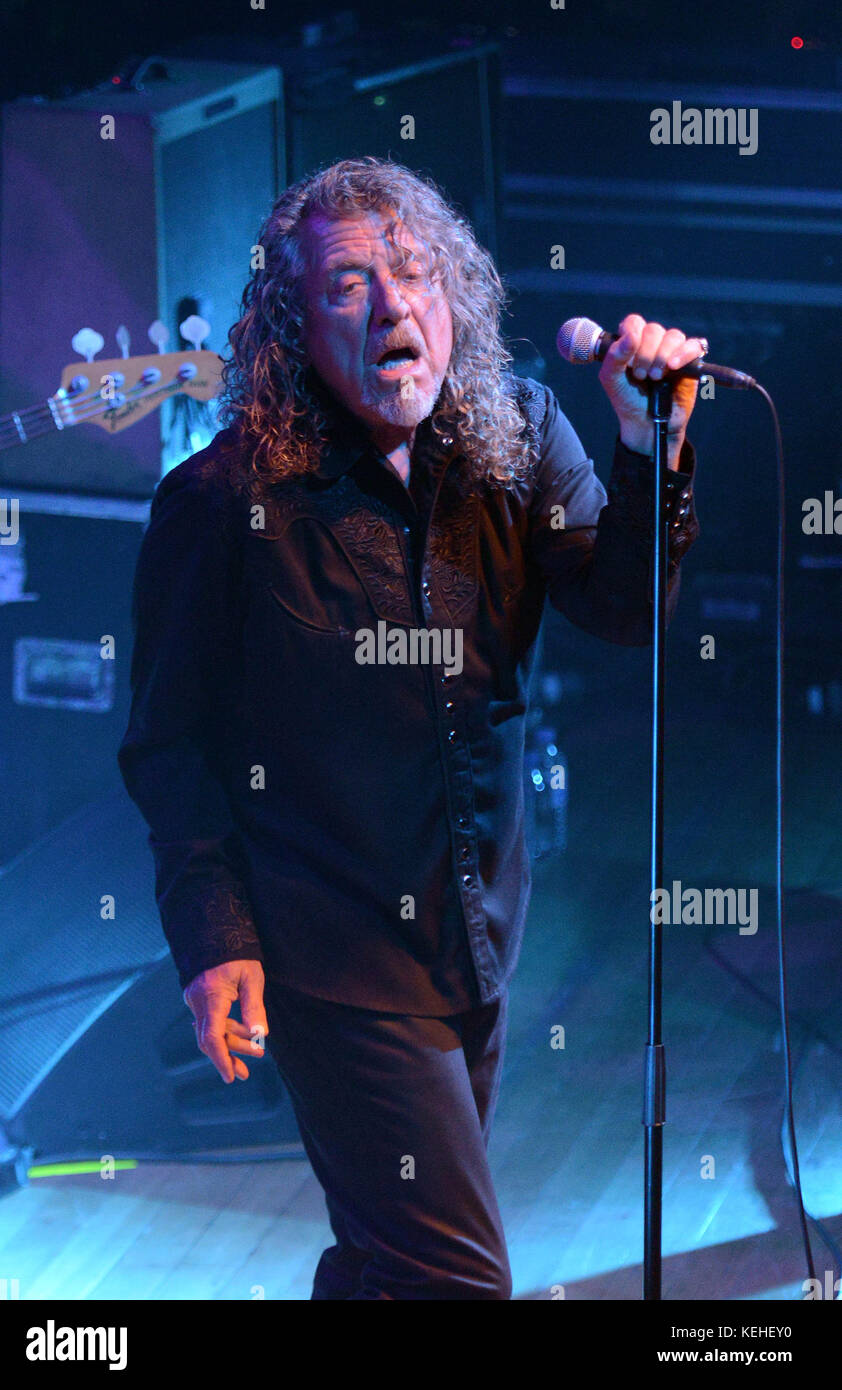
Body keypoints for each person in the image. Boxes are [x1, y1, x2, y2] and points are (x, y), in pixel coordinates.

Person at [118, 156, 701, 1299]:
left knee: (390, 1268)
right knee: (454, 1281)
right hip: (328, 943)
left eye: (415, 272)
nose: (392, 305)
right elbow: (168, 742)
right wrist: (215, 933)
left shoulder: (518, 435)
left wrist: (647, 450)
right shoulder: (226, 503)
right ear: (292, 325)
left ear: (454, 297)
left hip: (476, 922)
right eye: (348, 285)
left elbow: (623, 607)